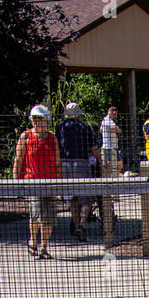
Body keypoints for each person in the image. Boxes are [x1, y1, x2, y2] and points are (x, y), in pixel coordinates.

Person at [13, 104, 59, 260]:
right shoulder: (25, 137)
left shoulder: (52, 137)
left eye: (41, 119)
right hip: (32, 181)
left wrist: (62, 182)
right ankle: (33, 240)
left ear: (46, 120)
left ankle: (44, 246)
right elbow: (18, 160)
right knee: (36, 213)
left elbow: (58, 161)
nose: (38, 122)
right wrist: (16, 182)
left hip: (50, 182)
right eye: (35, 119)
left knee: (49, 217)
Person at [57, 102, 99, 242]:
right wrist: (101, 160)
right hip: (81, 162)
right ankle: (82, 224)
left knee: (72, 196)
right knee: (86, 196)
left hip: (64, 164)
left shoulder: (60, 128)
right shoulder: (84, 127)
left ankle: (75, 224)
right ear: (78, 115)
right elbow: (93, 147)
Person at [100, 106, 122, 175]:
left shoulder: (104, 120)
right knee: (111, 164)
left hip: (112, 145)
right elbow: (117, 129)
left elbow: (100, 130)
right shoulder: (107, 120)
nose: (116, 116)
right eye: (116, 114)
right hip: (110, 146)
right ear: (113, 113)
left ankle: (115, 175)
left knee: (118, 163)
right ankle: (112, 177)